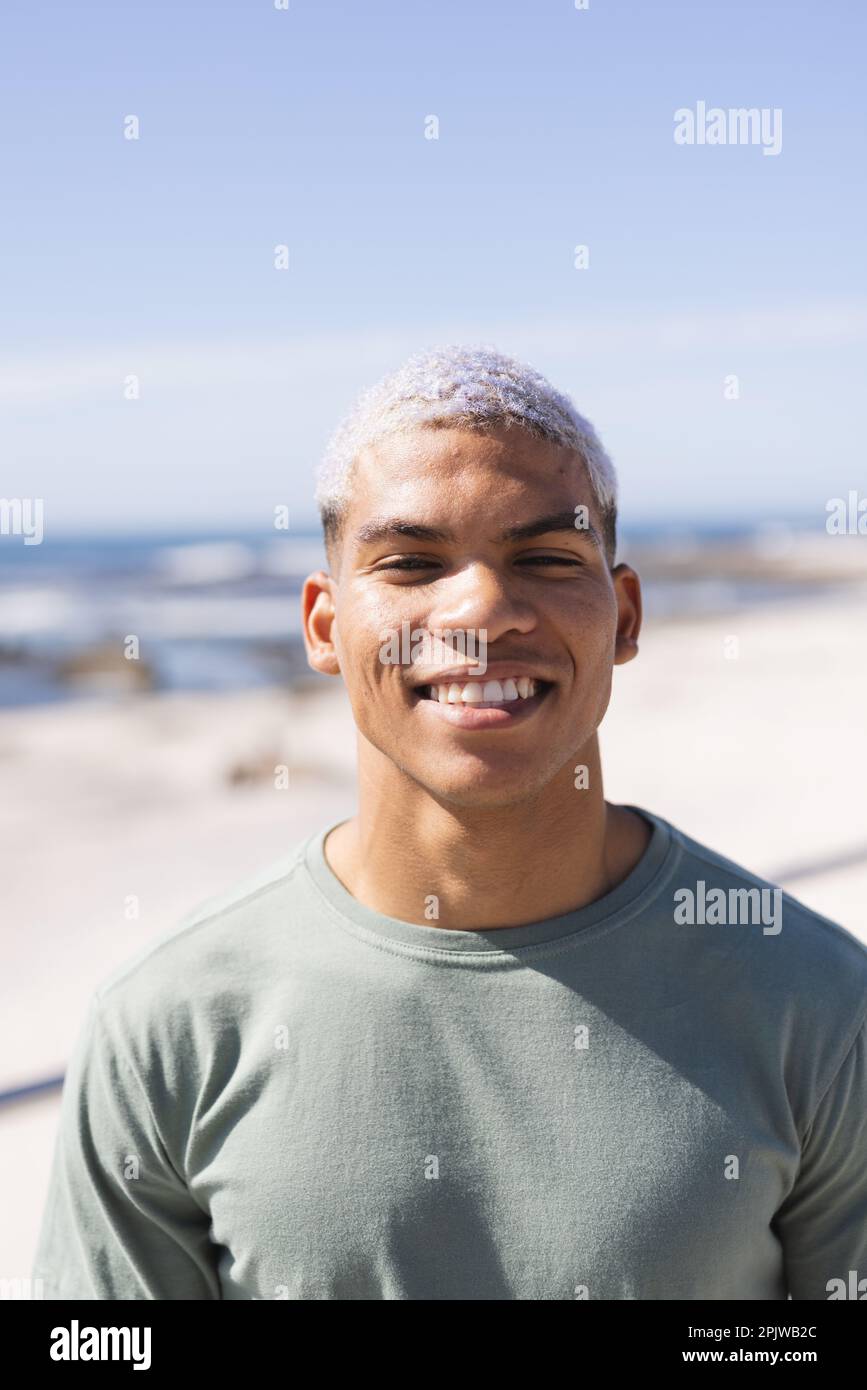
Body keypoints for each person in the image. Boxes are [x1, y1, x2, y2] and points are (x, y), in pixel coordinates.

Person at [33, 344, 867, 1300]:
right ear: (322, 626)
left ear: (624, 615)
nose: (480, 610)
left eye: (546, 557)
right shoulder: (168, 1026)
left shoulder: (816, 1000)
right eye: (411, 562)